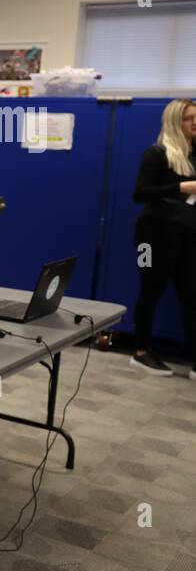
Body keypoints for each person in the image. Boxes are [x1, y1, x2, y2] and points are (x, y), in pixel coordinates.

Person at [130, 97, 196, 377]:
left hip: (186, 235)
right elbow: (140, 193)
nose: (195, 123)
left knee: (192, 294)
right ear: (174, 122)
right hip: (151, 237)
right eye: (188, 118)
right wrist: (181, 186)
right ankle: (142, 351)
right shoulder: (157, 153)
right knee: (151, 290)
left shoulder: (194, 155)